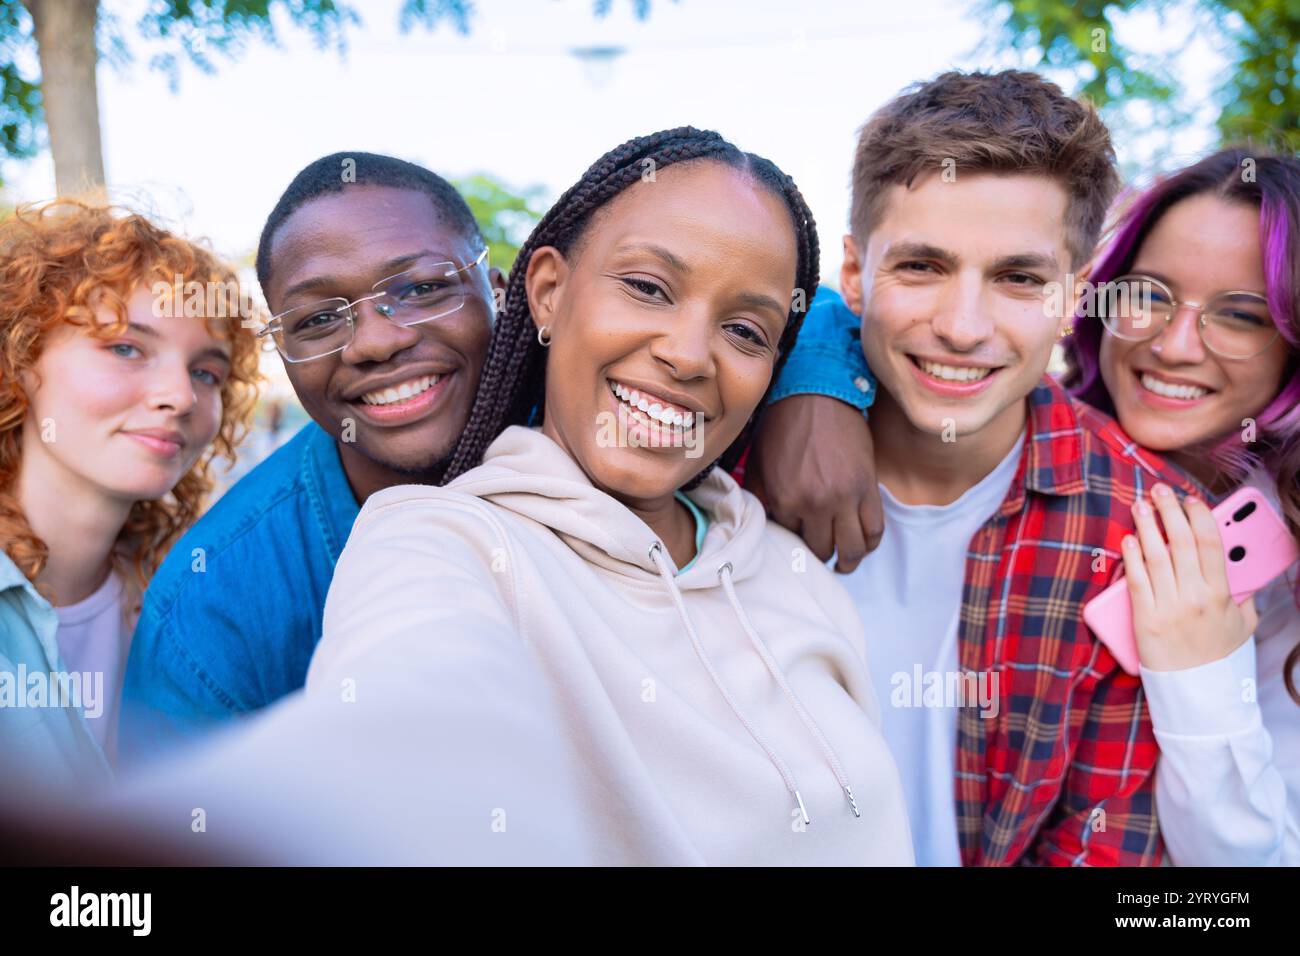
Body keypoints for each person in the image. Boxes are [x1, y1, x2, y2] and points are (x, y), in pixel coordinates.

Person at [311, 127, 913, 865]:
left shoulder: (793, 571)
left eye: (745, 330)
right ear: (548, 293)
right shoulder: (435, 545)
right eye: (648, 288)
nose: (689, 355)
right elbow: (393, 734)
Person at [748, 70, 1206, 865]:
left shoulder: (1147, 527)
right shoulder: (727, 467)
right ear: (853, 275)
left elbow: (1107, 847)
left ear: (1073, 296)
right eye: (922, 266)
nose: (962, 327)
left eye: (1018, 278)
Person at [119, 153, 505, 764]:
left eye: (423, 288)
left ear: (498, 292)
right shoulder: (209, 609)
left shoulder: (622, 475)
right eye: (320, 318)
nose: (378, 341)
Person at [1064, 147, 1300, 865]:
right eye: (1148, 294)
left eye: (1239, 315)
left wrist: (1201, 678)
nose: (1172, 345)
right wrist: (822, 377)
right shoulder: (1035, 452)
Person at [0, 199, 260, 788]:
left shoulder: (192, 596)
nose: (181, 396)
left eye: (207, 372)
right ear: (19, 358)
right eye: (126, 348)